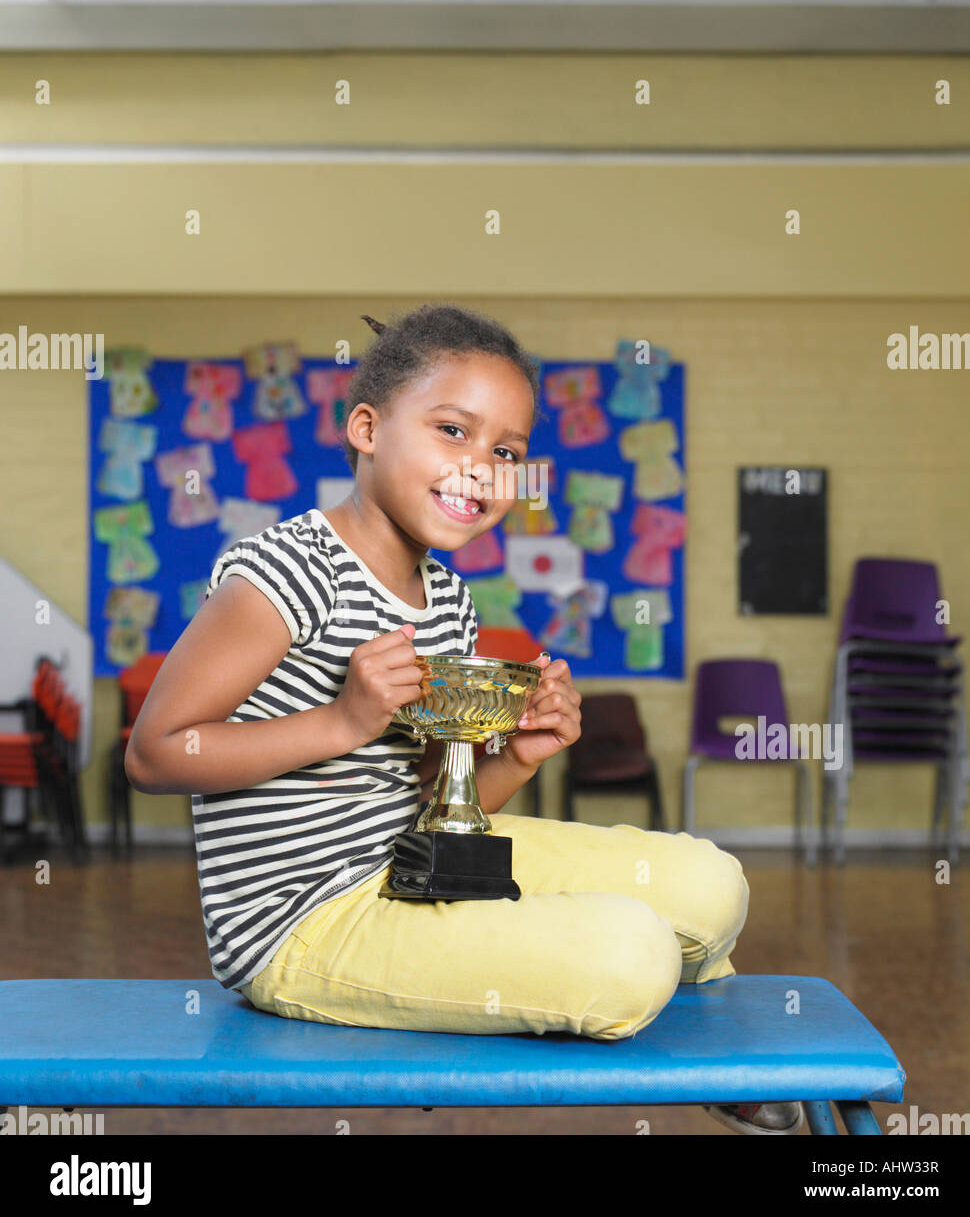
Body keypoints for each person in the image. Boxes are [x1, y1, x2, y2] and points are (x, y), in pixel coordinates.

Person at [125, 304, 803, 1135]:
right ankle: (680, 1041)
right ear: (367, 429)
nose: (478, 468)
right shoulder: (283, 572)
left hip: (418, 862)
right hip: (304, 922)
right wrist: (343, 721)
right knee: (632, 952)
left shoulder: (447, 600)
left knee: (711, 885)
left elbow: (427, 791)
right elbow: (155, 755)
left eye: (505, 451)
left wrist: (520, 753)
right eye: (452, 430)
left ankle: (710, 1045)